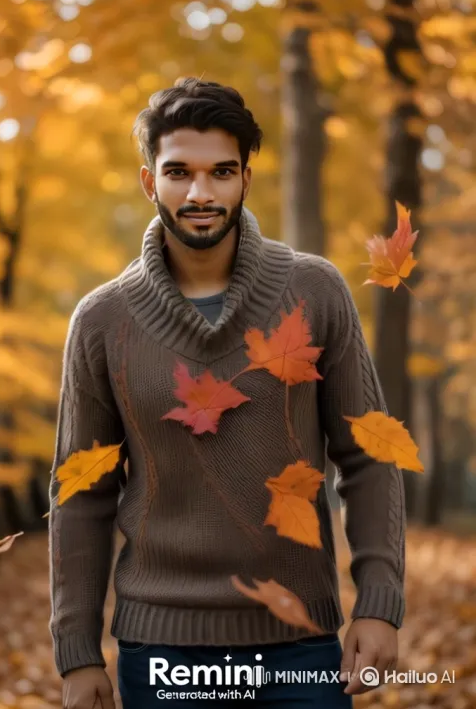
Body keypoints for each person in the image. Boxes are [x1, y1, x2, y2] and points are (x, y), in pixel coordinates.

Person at [48, 78, 405, 708]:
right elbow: (83, 495)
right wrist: (77, 650)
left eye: (221, 172)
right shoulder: (102, 322)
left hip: (301, 642)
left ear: (246, 179)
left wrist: (379, 602)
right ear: (148, 181)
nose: (200, 192)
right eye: (179, 172)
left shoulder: (315, 292)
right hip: (162, 653)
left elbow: (369, 455)